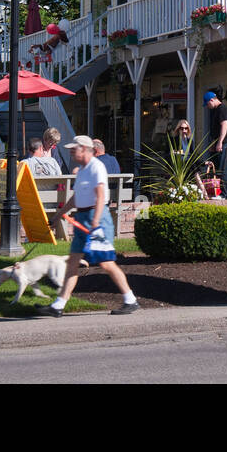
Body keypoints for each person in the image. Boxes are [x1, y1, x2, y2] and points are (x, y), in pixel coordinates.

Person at [37, 135, 138, 317]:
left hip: (96, 218)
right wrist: (58, 215)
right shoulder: (82, 170)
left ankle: (130, 300)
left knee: (106, 263)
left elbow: (100, 196)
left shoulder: (96, 167)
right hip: (83, 217)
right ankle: (58, 305)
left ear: (84, 149)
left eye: (74, 149)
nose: (71, 152)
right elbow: (76, 198)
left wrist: (96, 222)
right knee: (73, 263)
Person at [203, 92, 227, 199]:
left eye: (207, 104)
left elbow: (224, 125)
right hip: (223, 143)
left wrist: (220, 142)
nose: (207, 107)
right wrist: (214, 143)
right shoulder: (216, 110)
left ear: (211, 100)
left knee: (224, 169)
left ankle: (225, 194)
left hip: (226, 142)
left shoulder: (222, 109)